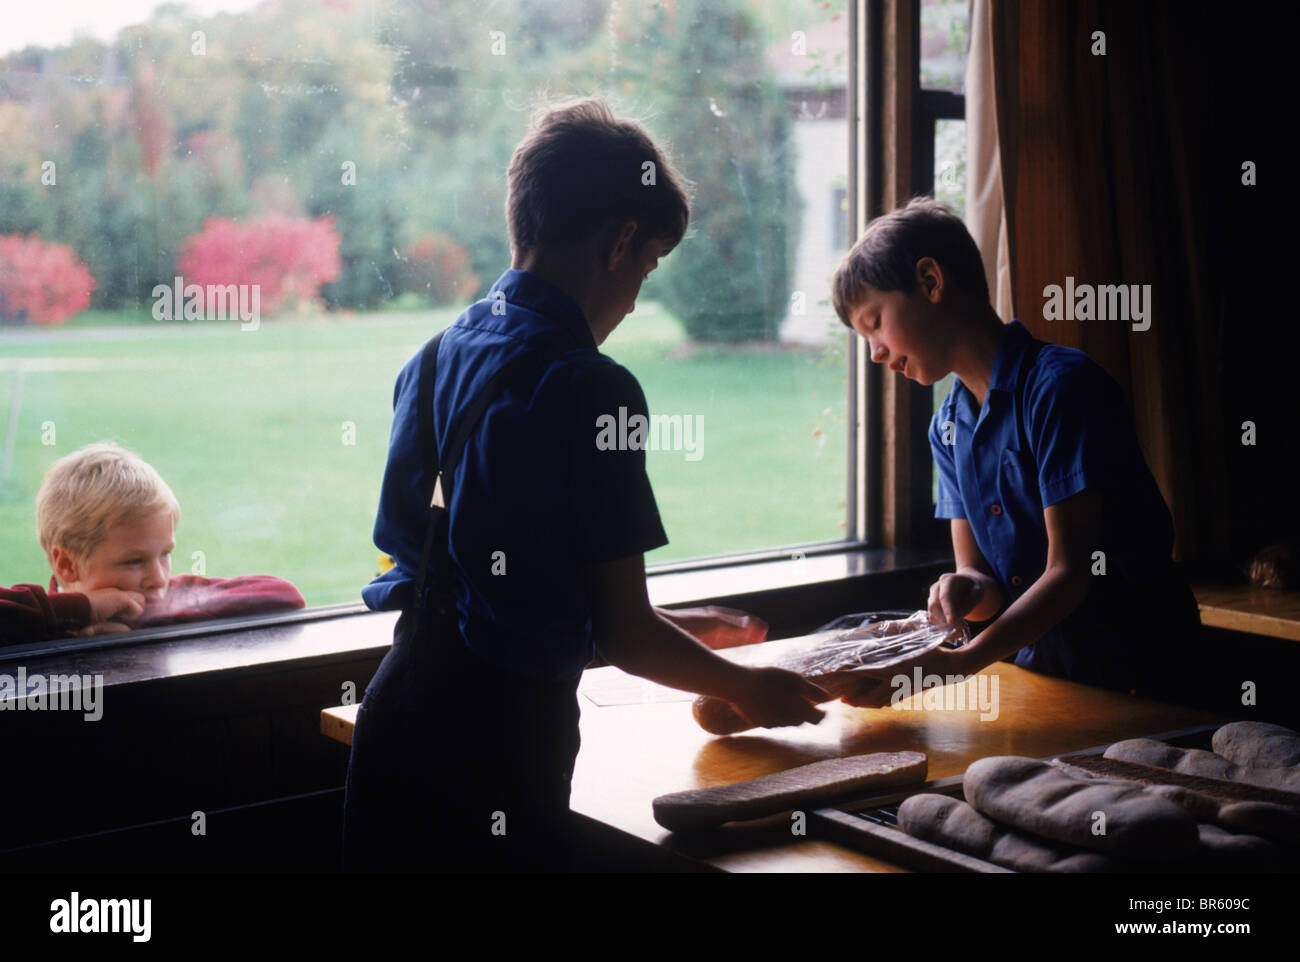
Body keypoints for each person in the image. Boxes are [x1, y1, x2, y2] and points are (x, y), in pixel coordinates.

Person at [343, 97, 827, 872]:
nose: (638, 297)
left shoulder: (430, 359)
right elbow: (624, 634)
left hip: (397, 718)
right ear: (621, 240)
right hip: (499, 746)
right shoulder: (594, 389)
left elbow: (463, 569)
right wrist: (746, 688)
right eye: (647, 265)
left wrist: (677, 621)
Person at [826, 197, 1201, 706]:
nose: (874, 353)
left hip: (1142, 675)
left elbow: (1073, 573)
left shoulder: (1061, 388)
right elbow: (986, 584)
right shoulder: (948, 428)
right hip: (1045, 676)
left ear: (931, 283)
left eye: (874, 323)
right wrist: (962, 592)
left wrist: (957, 664)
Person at [0, 441, 304, 644]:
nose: (159, 578)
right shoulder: (39, 623)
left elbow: (282, 594)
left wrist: (149, 619)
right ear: (67, 565)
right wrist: (82, 610)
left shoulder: (170, 596)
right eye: (134, 561)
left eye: (165, 554)